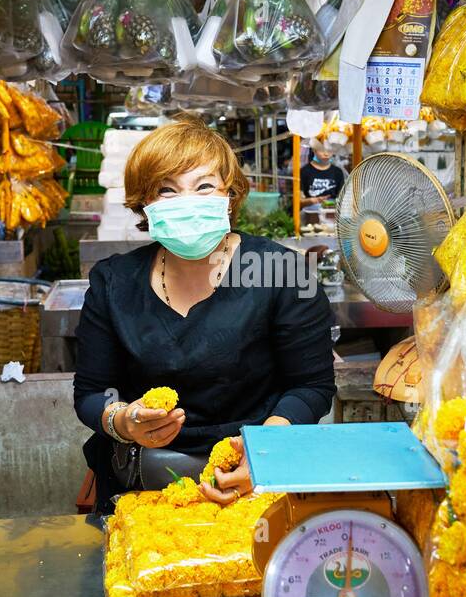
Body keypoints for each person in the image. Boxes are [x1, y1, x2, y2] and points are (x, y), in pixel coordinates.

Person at [73, 117, 336, 513]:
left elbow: (311, 387)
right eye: (167, 190)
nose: (187, 202)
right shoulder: (115, 282)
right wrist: (123, 421)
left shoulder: (283, 272)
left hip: (255, 480)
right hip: (140, 492)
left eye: (204, 186)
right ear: (144, 203)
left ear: (229, 195)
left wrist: (264, 450)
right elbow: (92, 393)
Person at [299, 141, 345, 208]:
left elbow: (342, 198)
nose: (326, 154)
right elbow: (299, 201)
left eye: (329, 150)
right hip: (310, 212)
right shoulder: (304, 172)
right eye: (322, 150)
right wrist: (314, 201)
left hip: (332, 212)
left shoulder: (338, 172)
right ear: (314, 150)